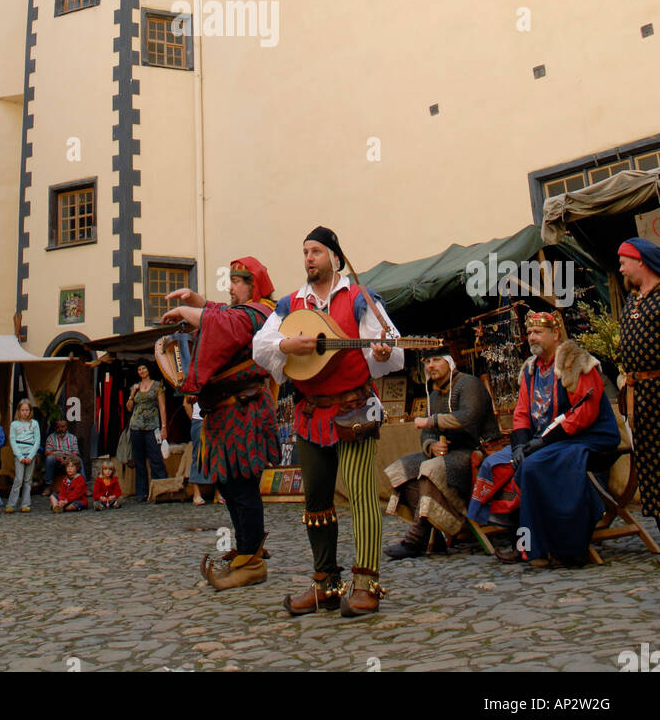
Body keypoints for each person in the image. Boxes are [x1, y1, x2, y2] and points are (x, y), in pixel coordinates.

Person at [253, 226, 404, 616]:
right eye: (304, 251)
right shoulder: (291, 303)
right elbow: (261, 346)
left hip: (355, 407)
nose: (308, 258)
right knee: (316, 500)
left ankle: (367, 584)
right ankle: (326, 585)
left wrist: (383, 354)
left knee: (360, 495)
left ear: (334, 257)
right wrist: (288, 345)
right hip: (309, 411)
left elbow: (387, 343)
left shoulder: (357, 298)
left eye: (316, 251)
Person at [163, 256, 280, 589]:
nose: (230, 287)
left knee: (241, 485)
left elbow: (228, 324)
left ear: (253, 286)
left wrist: (189, 313)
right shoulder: (244, 312)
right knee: (229, 485)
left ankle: (252, 559)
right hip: (226, 414)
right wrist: (197, 302)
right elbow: (223, 315)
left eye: (237, 282)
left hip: (243, 412)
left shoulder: (261, 313)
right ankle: (245, 548)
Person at [468, 310, 619, 566]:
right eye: (529, 333)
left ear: (555, 333)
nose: (531, 337)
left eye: (538, 332)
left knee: (535, 465)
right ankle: (521, 537)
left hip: (587, 436)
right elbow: (522, 413)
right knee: (496, 464)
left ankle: (562, 545)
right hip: (545, 438)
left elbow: (585, 413)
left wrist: (540, 444)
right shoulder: (531, 369)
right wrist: (519, 446)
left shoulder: (576, 362)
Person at [385, 349, 500, 557]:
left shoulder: (468, 384)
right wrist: (431, 445)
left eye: (436, 360)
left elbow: (467, 418)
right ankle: (433, 529)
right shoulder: (435, 393)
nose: (430, 365)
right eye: (427, 361)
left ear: (449, 362)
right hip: (449, 454)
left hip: (476, 452)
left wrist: (432, 421)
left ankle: (417, 538)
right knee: (402, 468)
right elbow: (427, 435)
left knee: (430, 468)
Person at [618, 238, 660, 542]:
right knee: (649, 462)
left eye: (624, 261)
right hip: (639, 395)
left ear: (640, 261)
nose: (621, 268)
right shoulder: (633, 300)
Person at [126, 363, 167, 503]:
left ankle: (161, 489)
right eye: (139, 369)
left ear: (148, 370)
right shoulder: (135, 387)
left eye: (143, 368)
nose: (142, 371)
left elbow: (162, 407)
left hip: (152, 426)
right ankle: (142, 492)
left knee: (156, 458)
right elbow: (129, 408)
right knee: (139, 461)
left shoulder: (157, 386)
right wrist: (132, 394)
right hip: (136, 427)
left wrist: (164, 426)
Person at [5, 398, 40, 513]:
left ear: (30, 411)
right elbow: (12, 440)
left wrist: (30, 456)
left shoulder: (34, 424)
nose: (25, 412)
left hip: (30, 453)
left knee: (28, 480)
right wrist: (20, 456)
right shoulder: (14, 424)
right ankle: (11, 504)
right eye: (23, 410)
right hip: (19, 453)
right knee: (18, 479)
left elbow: (37, 441)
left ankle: (25, 503)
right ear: (19, 411)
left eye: (27, 410)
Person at [183, 395, 212, 505]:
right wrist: (194, 419)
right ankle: (196, 493)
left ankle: (218, 492)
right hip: (199, 420)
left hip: (213, 419)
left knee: (216, 455)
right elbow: (186, 403)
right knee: (198, 456)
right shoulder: (193, 382)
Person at [42, 417, 82, 496]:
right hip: (56, 459)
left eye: (63, 427)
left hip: (69, 458)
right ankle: (49, 486)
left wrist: (68, 459)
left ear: (66, 427)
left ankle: (83, 484)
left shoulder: (72, 437)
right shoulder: (51, 437)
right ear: (55, 428)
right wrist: (58, 458)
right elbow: (47, 452)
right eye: (58, 427)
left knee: (78, 459)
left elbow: (75, 452)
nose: (60, 429)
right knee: (49, 459)